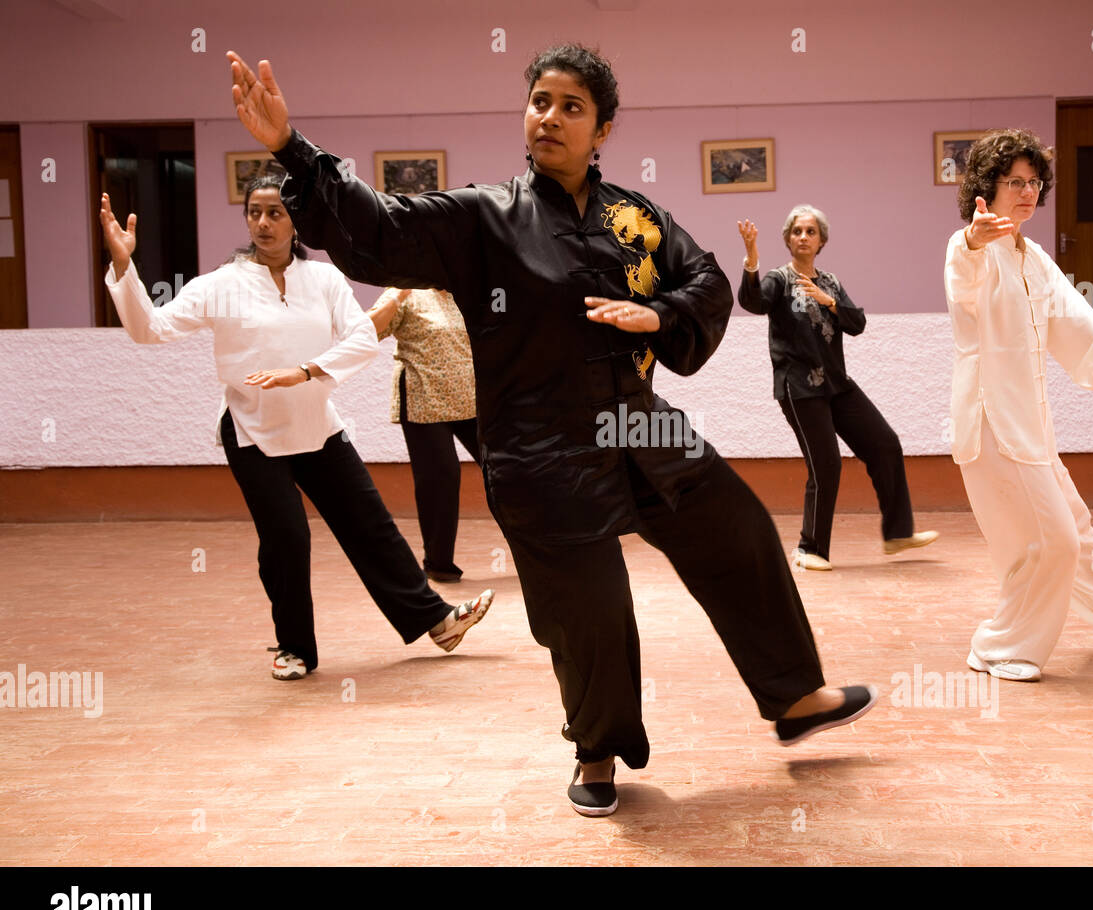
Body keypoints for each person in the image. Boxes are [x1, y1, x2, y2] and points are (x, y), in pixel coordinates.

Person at [226, 43, 879, 816]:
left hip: (636, 424)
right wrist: (289, 149)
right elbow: (376, 224)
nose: (550, 117)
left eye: (571, 106)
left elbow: (703, 278)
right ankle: (597, 750)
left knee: (736, 526)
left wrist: (659, 313)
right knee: (589, 610)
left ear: (602, 128)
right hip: (537, 450)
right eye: (540, 101)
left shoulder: (634, 218)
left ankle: (795, 696)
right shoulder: (484, 216)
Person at [97, 176, 494, 681]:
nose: (263, 223)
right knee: (287, 538)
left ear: (296, 222)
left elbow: (362, 340)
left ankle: (436, 622)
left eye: (276, 213)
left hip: (319, 426)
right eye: (255, 212)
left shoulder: (324, 280)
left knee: (370, 527)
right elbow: (148, 329)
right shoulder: (221, 284)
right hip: (252, 432)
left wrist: (305, 372)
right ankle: (295, 648)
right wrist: (124, 264)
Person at [942, 128, 1093, 682]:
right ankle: (999, 646)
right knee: (1049, 540)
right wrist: (976, 240)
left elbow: (1075, 318)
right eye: (1013, 182)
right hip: (991, 424)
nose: (1026, 192)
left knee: (1074, 529)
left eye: (1033, 182)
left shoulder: (1034, 257)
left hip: (1030, 424)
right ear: (987, 187)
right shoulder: (970, 248)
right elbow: (964, 275)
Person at [737, 208, 938, 570]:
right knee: (826, 465)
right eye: (796, 230)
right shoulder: (778, 280)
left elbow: (857, 322)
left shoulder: (829, 282)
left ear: (821, 241)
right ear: (787, 239)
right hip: (799, 388)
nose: (803, 236)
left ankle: (897, 534)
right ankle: (809, 548)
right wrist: (751, 259)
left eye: (810, 231)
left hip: (837, 385)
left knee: (885, 444)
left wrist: (827, 299)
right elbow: (754, 302)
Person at [367, 286, 480, 583]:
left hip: (472, 397)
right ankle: (439, 563)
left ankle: (541, 546)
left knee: (507, 468)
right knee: (443, 476)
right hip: (423, 398)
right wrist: (399, 294)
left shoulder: (467, 290)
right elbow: (369, 331)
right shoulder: (405, 291)